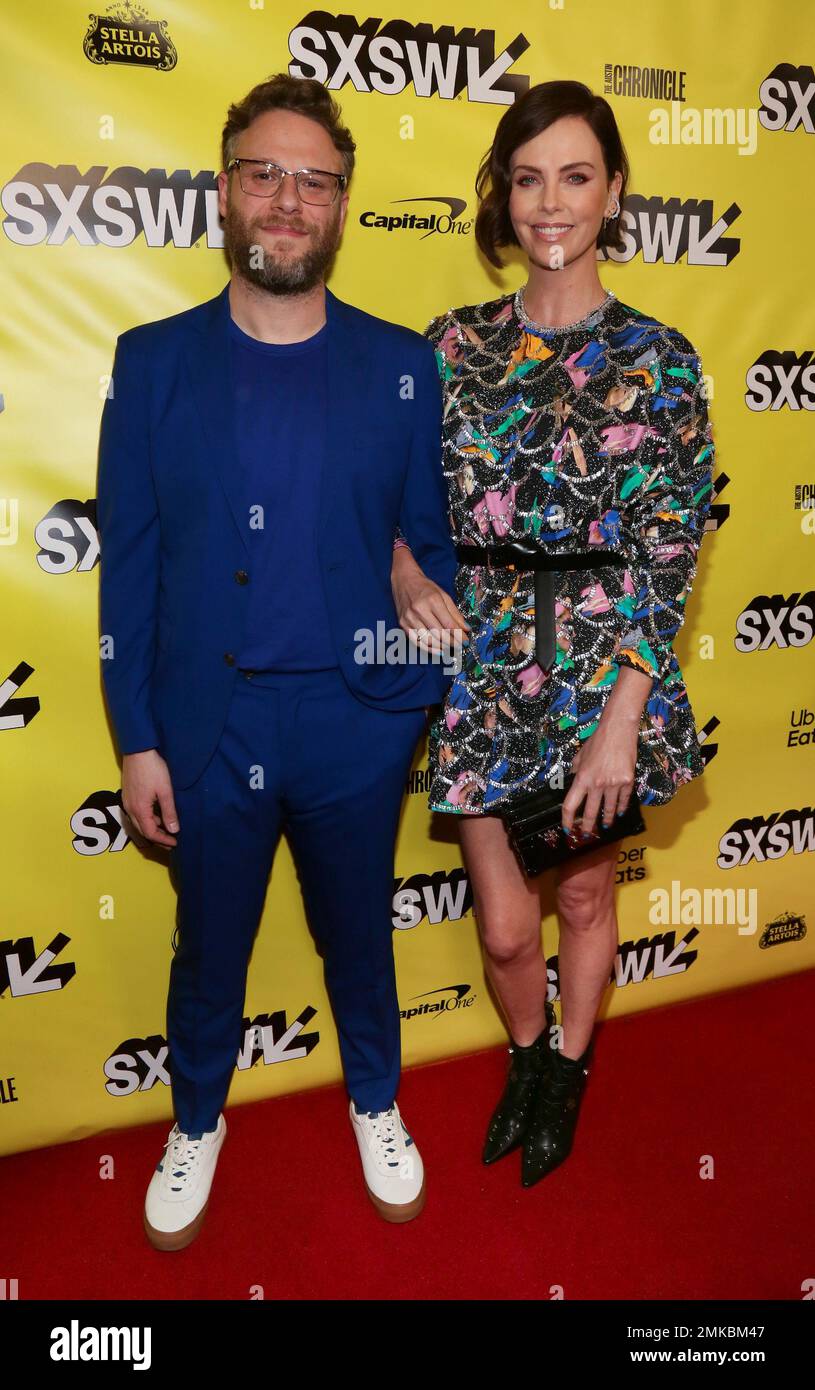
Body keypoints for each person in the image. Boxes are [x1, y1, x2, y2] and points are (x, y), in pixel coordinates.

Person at [96, 73, 465, 1248]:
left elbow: (427, 537)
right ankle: (195, 1117)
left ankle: (374, 1098)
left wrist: (412, 574)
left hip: (357, 722)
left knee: (359, 936)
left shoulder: (401, 366)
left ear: (343, 205)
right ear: (225, 191)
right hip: (209, 728)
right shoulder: (151, 364)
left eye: (314, 179)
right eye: (266, 173)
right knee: (209, 948)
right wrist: (137, 735)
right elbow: (131, 569)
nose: (288, 198)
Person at [391, 80, 715, 1188]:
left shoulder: (661, 360)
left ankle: (564, 1069)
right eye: (527, 178)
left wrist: (621, 722)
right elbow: (398, 500)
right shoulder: (449, 346)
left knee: (582, 896)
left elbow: (669, 549)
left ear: (612, 190)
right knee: (499, 930)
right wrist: (399, 569)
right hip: (481, 667)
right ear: (502, 193)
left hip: (596, 668)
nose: (549, 202)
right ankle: (523, 1053)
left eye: (574, 176)